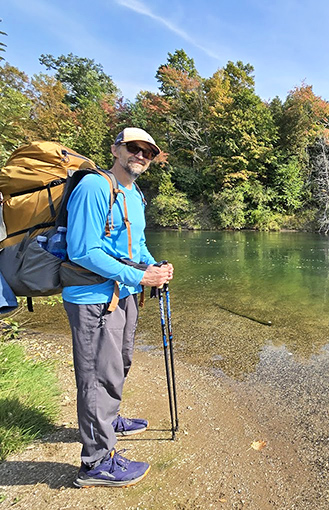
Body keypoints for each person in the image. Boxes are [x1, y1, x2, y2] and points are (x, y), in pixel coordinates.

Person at [62, 127, 174, 488]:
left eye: (148, 152)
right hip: (93, 297)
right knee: (96, 375)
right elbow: (83, 250)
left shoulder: (134, 194)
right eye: (134, 148)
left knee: (118, 363)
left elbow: (136, 245)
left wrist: (155, 267)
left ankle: (108, 421)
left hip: (123, 293)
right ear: (116, 149)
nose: (141, 155)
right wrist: (140, 278)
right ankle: (95, 463)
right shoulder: (95, 187)